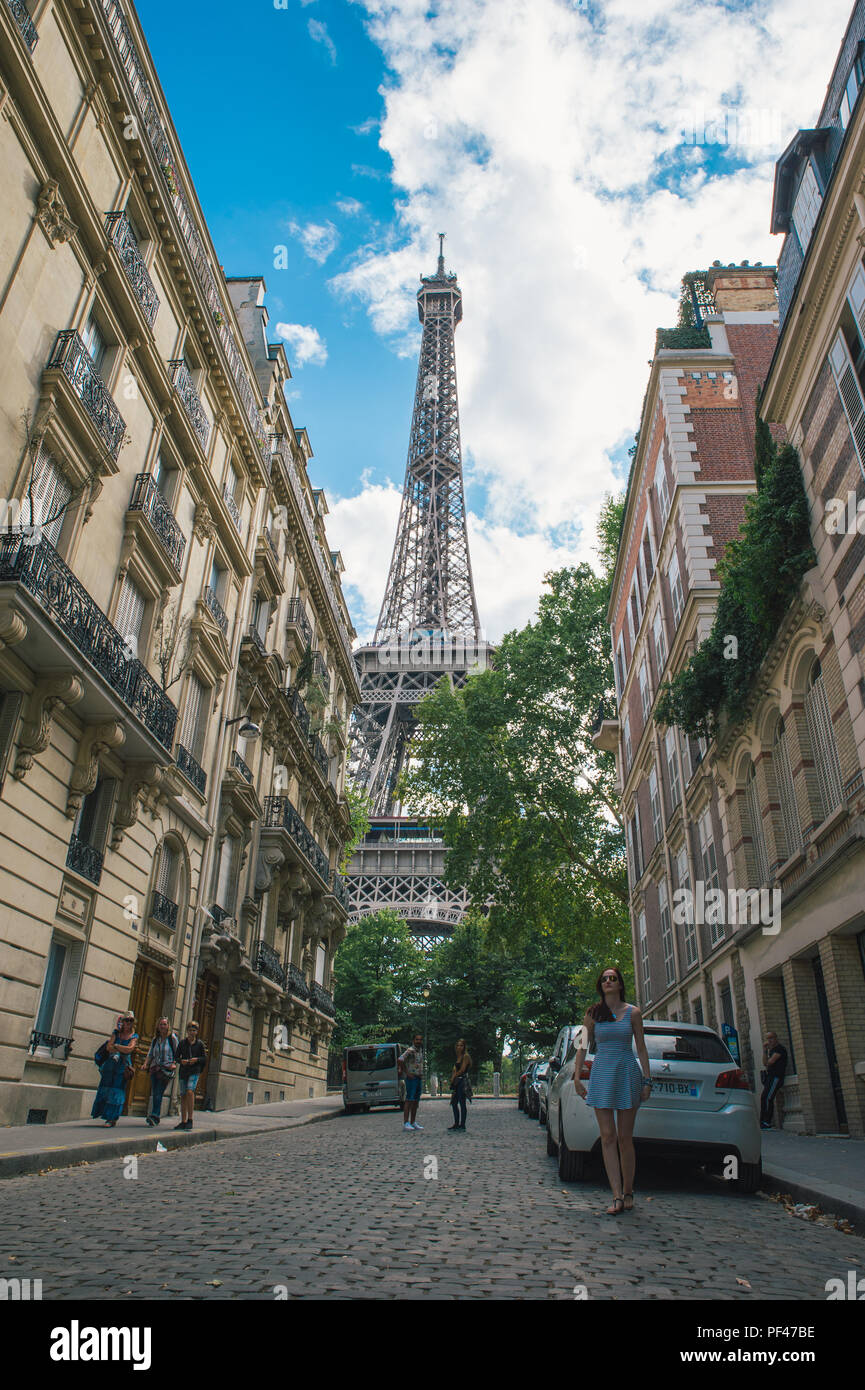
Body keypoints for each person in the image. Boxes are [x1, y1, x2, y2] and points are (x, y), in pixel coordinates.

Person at [573, 967, 651, 1215]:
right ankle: (616, 1195)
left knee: (625, 1138)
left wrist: (648, 1080)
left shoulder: (633, 1013)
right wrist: (577, 1077)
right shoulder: (592, 1014)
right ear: (601, 985)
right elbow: (582, 1046)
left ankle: (629, 1190)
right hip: (602, 1074)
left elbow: (641, 1048)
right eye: (604, 978)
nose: (608, 981)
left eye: (613, 978)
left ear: (620, 984)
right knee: (607, 1136)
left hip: (627, 1073)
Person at [91, 1012, 138, 1127]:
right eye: (126, 1020)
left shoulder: (134, 1036)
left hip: (122, 1066)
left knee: (117, 1090)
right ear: (122, 1022)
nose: (128, 1023)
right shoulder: (116, 1033)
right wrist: (120, 1048)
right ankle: (104, 1114)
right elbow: (108, 1047)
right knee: (106, 1088)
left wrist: (116, 1046)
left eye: (130, 1021)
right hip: (110, 1065)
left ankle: (112, 1118)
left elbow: (129, 1049)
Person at [143, 1018, 179, 1126]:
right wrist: (146, 1064)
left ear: (168, 1026)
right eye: (161, 1024)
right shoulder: (155, 1039)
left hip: (166, 1070)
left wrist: (174, 1063)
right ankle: (155, 1116)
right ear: (158, 1026)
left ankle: (155, 1115)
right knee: (155, 1093)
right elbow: (150, 1054)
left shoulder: (172, 1038)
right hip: (155, 1069)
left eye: (165, 1024)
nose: (163, 1026)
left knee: (158, 1092)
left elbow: (178, 1052)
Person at [174, 1020, 207, 1130]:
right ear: (187, 1031)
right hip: (184, 1071)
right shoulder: (182, 1043)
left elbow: (204, 1059)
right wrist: (181, 1061)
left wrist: (196, 1060)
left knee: (189, 1091)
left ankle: (190, 1119)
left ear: (197, 1032)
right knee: (183, 1094)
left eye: (194, 1030)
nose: (192, 1032)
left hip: (194, 1070)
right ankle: (183, 1120)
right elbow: (176, 1056)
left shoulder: (200, 1044)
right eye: (190, 1030)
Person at [760, 1031, 787, 1130]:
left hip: (776, 1077)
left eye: (771, 1038)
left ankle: (766, 1121)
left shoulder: (779, 1049)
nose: (769, 1041)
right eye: (767, 1039)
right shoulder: (771, 1051)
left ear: (776, 1038)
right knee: (764, 1097)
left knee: (767, 1097)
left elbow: (770, 1062)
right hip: (770, 1077)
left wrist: (768, 1061)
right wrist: (764, 1050)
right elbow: (764, 1062)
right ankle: (763, 1121)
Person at [399, 1033, 424, 1131]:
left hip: (418, 1078)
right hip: (411, 1078)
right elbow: (400, 1059)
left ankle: (413, 1121)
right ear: (413, 1040)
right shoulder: (410, 1050)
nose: (419, 1041)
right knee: (409, 1100)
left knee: (416, 1101)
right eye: (417, 1039)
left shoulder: (420, 1051)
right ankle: (406, 1122)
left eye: (420, 1039)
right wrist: (407, 1072)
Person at [448, 1038, 472, 1131]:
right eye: (458, 1045)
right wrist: (452, 1078)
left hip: (462, 1081)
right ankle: (456, 1123)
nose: (459, 1047)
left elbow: (462, 1070)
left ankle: (462, 1124)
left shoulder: (465, 1056)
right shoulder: (458, 1057)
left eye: (461, 1045)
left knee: (462, 1103)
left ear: (464, 1046)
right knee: (454, 1102)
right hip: (456, 1082)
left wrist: (454, 1077)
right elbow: (454, 1069)